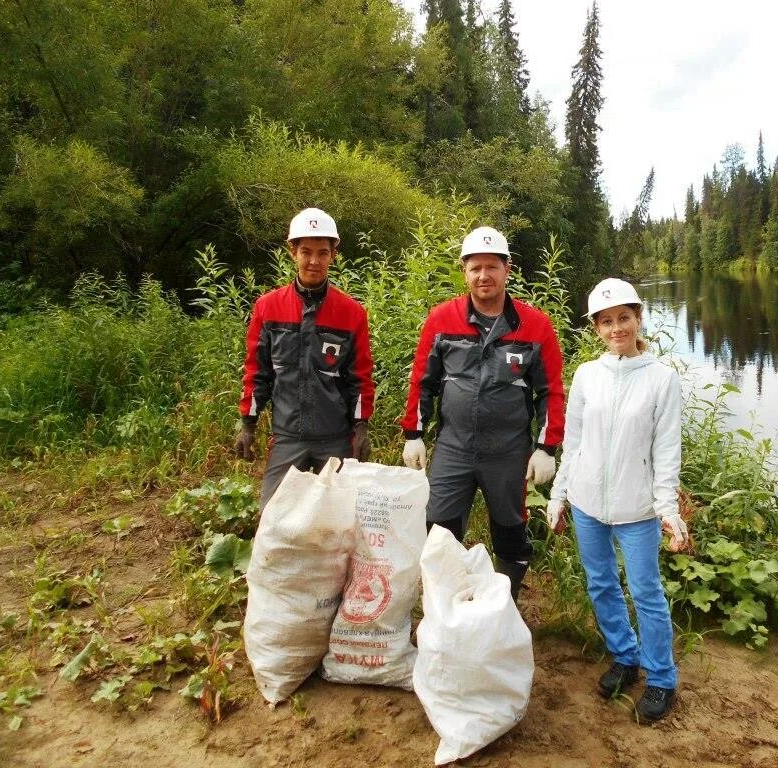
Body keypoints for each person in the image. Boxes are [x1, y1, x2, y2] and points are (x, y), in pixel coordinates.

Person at [546, 277, 689, 725]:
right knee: (602, 584)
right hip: (588, 503)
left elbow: (667, 450)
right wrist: (560, 494)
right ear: (595, 328)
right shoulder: (588, 374)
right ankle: (625, 657)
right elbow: (574, 443)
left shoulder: (662, 379)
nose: (615, 329)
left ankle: (662, 678)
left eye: (623, 318)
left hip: (637, 509)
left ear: (638, 318)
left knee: (647, 592)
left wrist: (668, 509)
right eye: (606, 322)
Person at [400, 225, 566, 599]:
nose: (483, 275)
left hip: (508, 452)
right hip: (453, 448)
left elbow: (550, 392)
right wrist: (414, 434)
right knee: (438, 530)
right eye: (475, 267)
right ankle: (446, 608)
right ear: (464, 271)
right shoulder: (442, 319)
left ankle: (502, 609)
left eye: (492, 267)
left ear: (507, 269)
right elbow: (422, 381)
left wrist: (546, 447)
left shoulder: (535, 325)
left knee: (510, 532)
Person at [235, 207, 375, 511]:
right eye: (306, 252)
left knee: (339, 522)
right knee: (273, 518)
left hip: (336, 439)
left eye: (323, 253)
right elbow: (257, 371)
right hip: (287, 437)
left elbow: (360, 377)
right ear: (293, 252)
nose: (314, 261)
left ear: (333, 254)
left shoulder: (352, 313)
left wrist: (361, 428)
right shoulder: (268, 307)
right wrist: (248, 423)